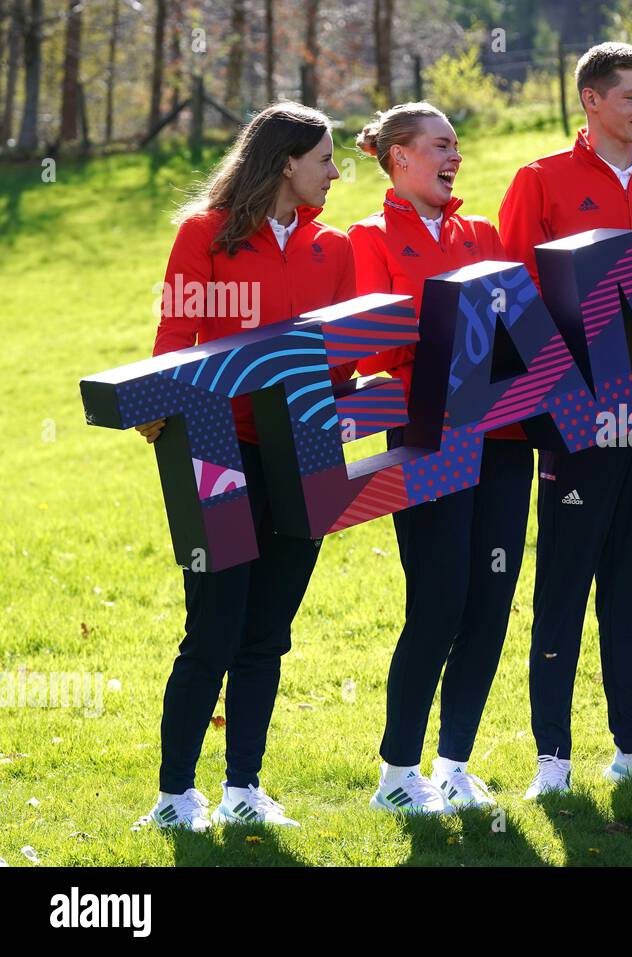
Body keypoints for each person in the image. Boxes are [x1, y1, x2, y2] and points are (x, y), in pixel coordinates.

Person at [497, 42, 632, 798]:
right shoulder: (540, 181)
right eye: (630, 95)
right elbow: (515, 298)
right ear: (591, 100)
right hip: (576, 422)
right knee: (563, 584)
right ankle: (551, 758)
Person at [140, 102, 353, 830]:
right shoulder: (204, 234)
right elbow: (172, 336)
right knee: (214, 627)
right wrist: (154, 408)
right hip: (216, 451)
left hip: (308, 449)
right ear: (285, 162)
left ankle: (244, 790)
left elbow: (347, 356)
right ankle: (174, 797)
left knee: (270, 630)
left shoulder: (337, 249)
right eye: (324, 159)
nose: (334, 172)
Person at [348, 102, 533, 815]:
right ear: (398, 157)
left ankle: (453, 763)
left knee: (490, 599)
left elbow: (516, 326)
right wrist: (453, 338)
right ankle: (398, 774)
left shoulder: (483, 232)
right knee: (439, 599)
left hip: (504, 437)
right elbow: (371, 349)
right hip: (424, 438)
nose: (454, 156)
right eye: (438, 146)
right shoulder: (367, 236)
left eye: (457, 144)